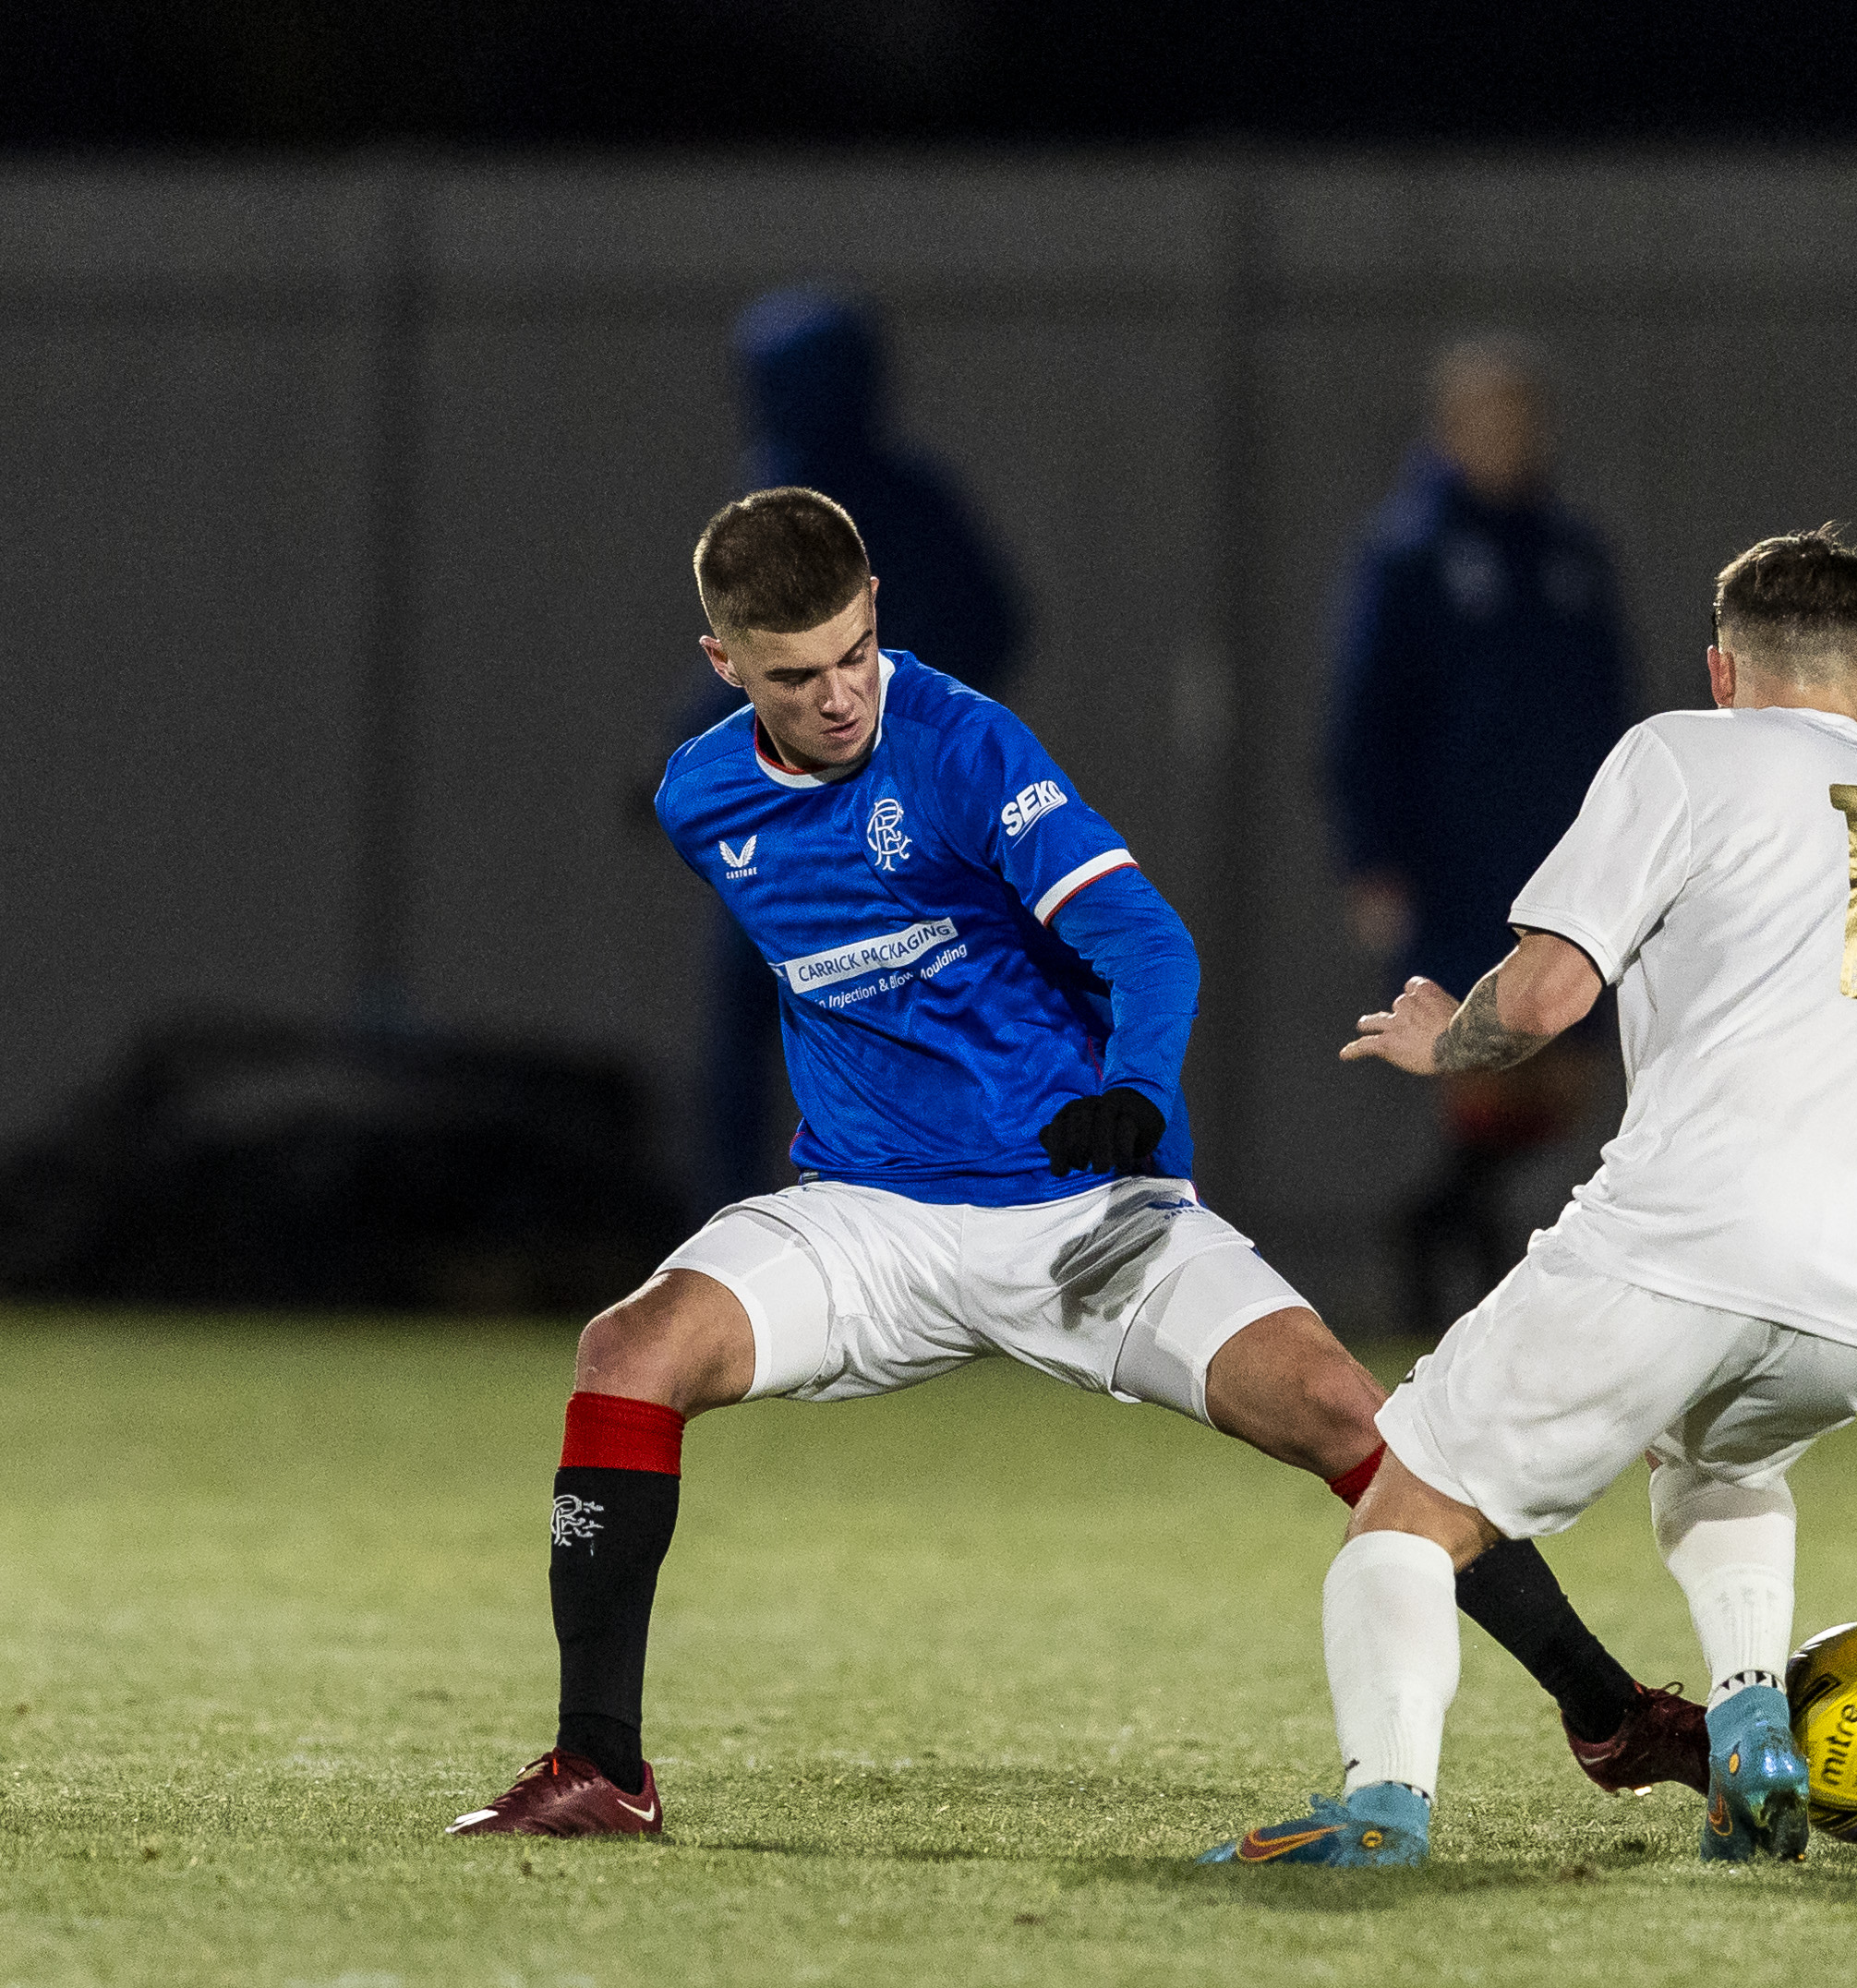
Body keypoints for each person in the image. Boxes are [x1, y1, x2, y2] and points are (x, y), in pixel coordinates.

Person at [450, 488, 1704, 1837]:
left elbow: (1148, 944)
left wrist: (1128, 1092)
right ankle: (601, 1768)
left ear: (875, 607)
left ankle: (1606, 1712)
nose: (835, 697)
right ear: (724, 667)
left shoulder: (963, 745)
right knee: (626, 1355)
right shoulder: (703, 798)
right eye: (793, 676)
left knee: (1358, 1425)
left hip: (1086, 1212)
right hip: (872, 1216)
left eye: (851, 655)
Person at [1210, 529, 1857, 1869]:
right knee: (1724, 1456)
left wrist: (1438, 1038)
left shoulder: (1678, 752)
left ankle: (1378, 1811)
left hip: (1688, 1237)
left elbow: (1544, 997)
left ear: (1719, 669)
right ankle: (1753, 1735)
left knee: (1408, 1505)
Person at [692, 291, 1027, 1211]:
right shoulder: (793, 491)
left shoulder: (879, 504)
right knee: (767, 1020)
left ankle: (914, 1214)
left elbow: (985, 623)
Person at [1326, 335, 1634, 1332]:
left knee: (1572, 1066)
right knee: (1481, 1051)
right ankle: (1460, 1253)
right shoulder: (1410, 556)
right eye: (1487, 417)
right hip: (1461, 864)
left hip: (1567, 857)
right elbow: (1366, 715)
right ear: (1449, 431)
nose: (1507, 436)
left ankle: (1447, 1214)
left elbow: (1612, 706)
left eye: (1521, 415)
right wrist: (1373, 855)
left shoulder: (1572, 555)